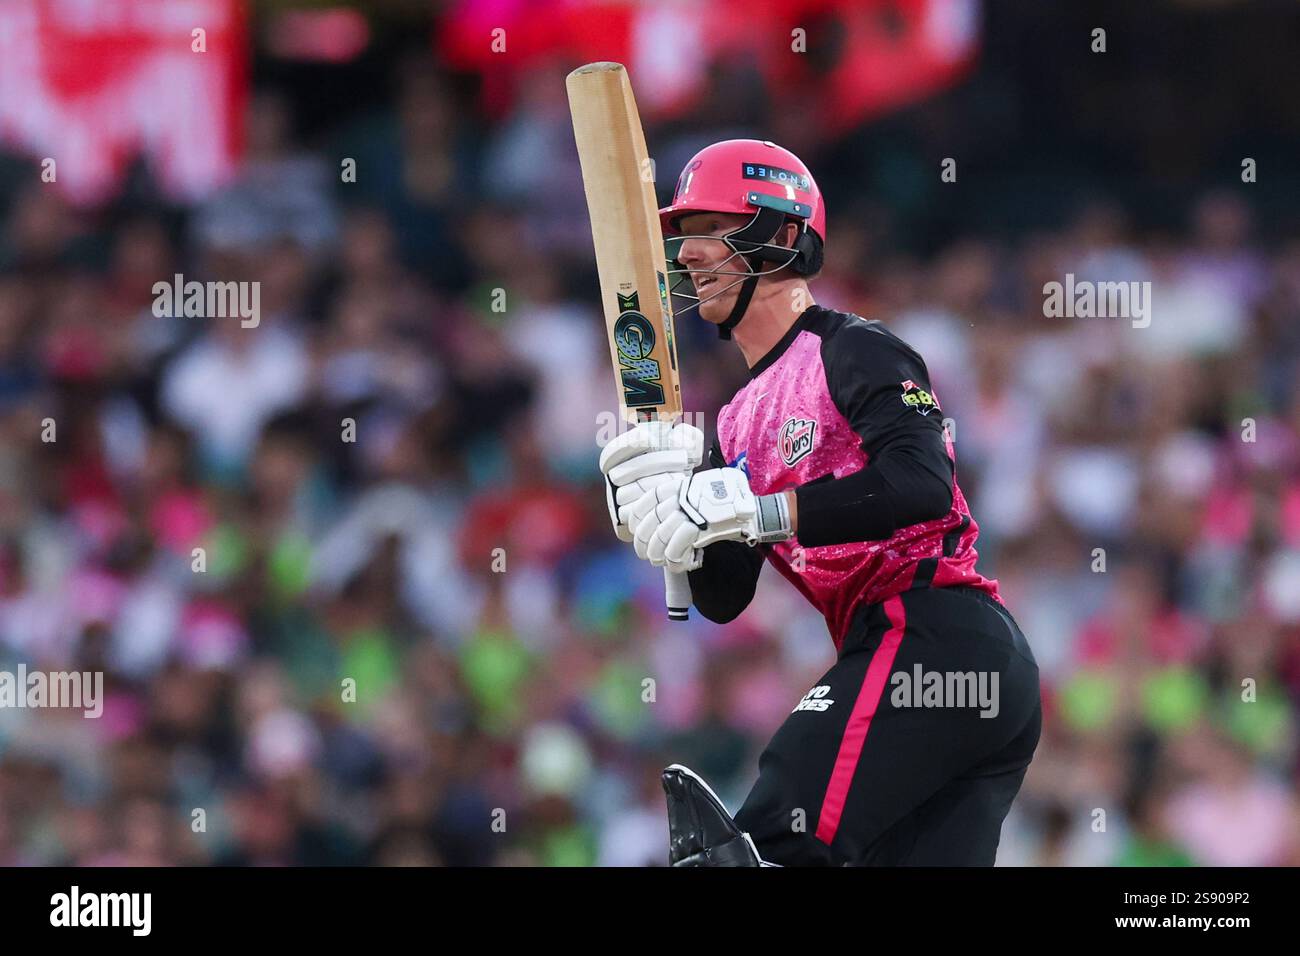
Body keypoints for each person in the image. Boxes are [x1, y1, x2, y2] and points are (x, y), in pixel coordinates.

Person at [599, 140, 1041, 866]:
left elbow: (922, 484)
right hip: (929, 670)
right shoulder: (734, 422)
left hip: (934, 635)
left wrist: (759, 510)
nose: (689, 254)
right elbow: (724, 597)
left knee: (761, 845)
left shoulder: (856, 349)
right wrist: (668, 527)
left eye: (711, 226)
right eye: (685, 234)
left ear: (780, 236)